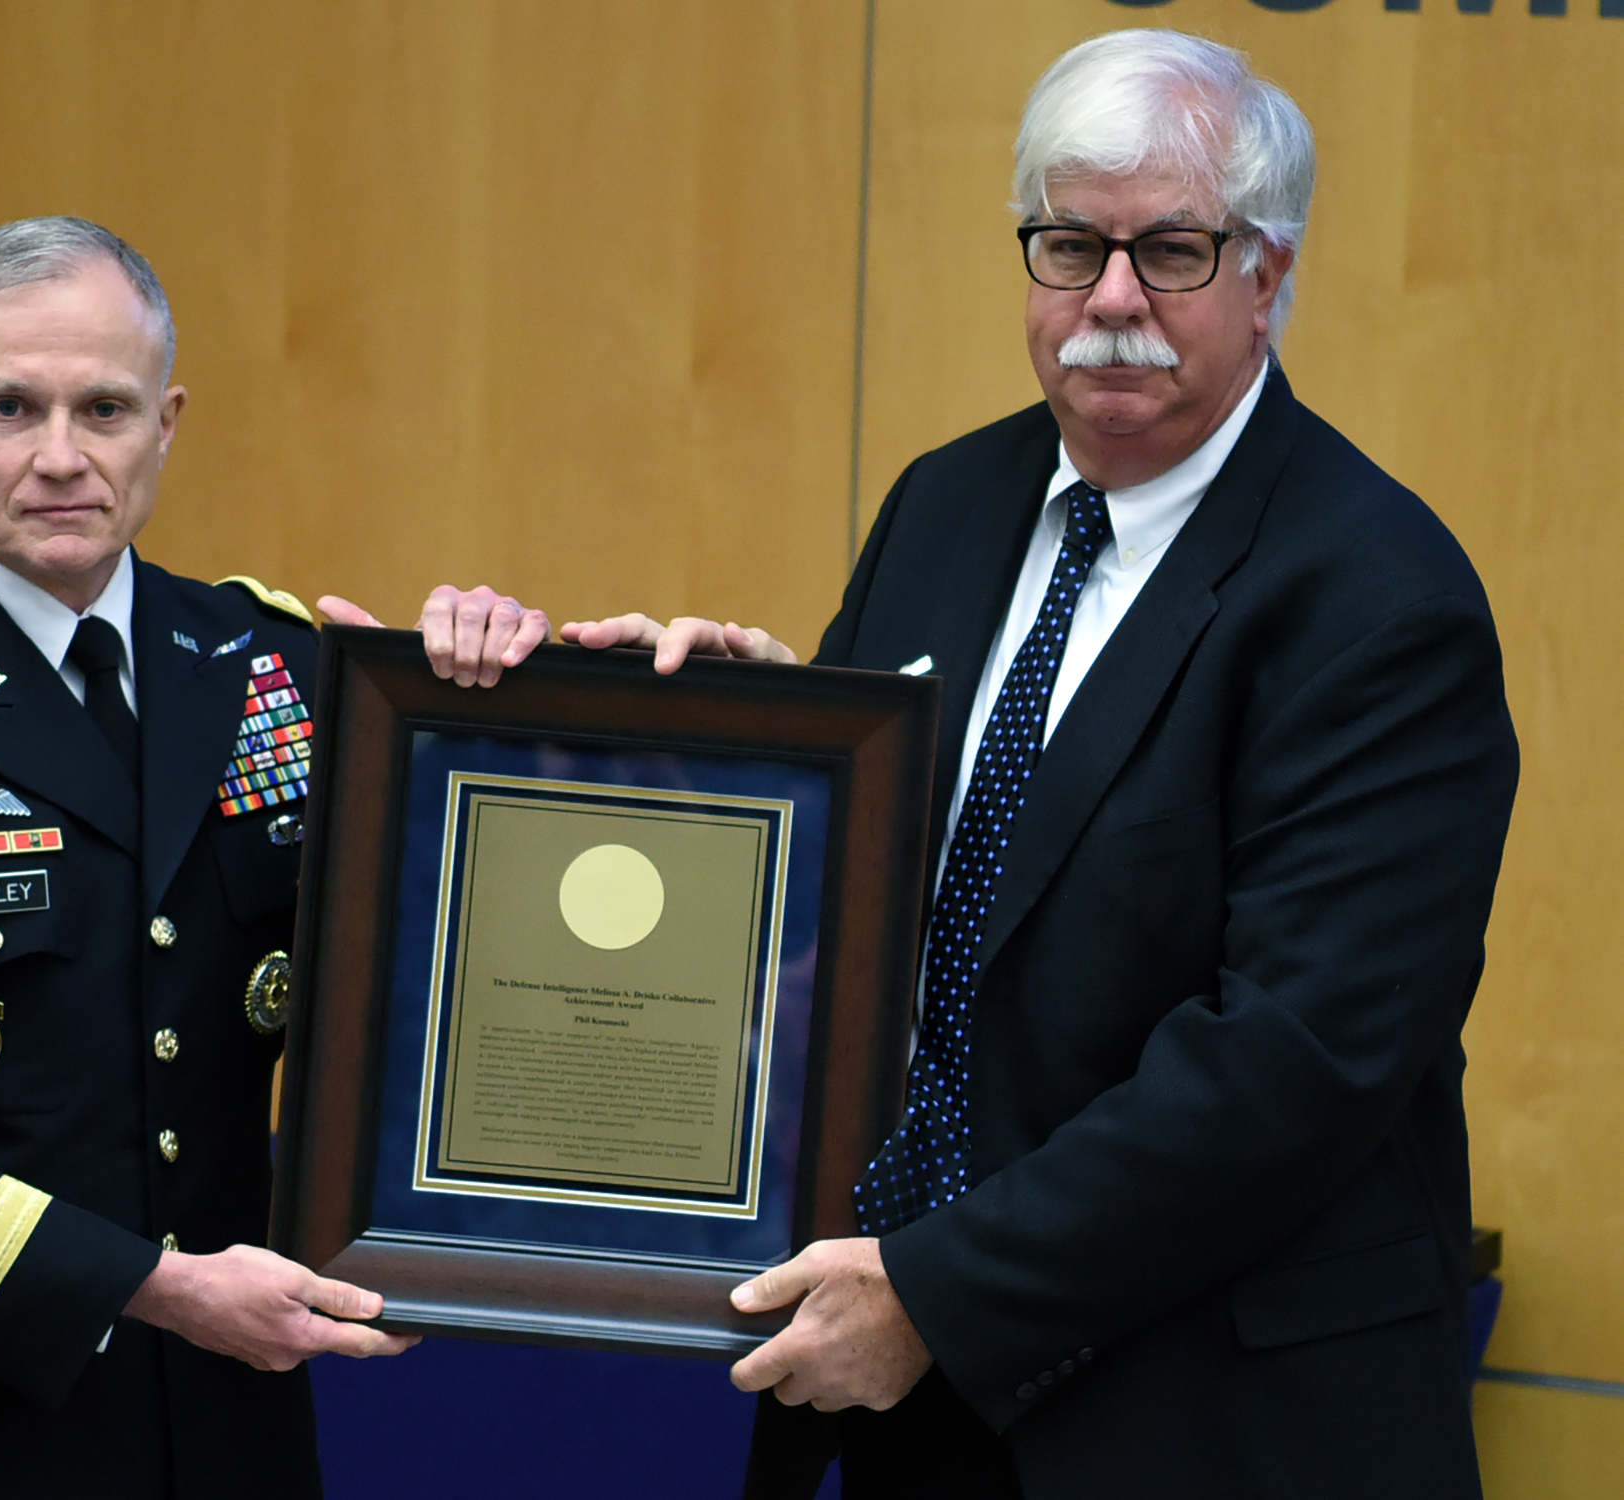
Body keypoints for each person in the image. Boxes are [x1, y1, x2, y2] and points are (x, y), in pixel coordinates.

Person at [561, 30, 1519, 1499]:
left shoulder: (1380, 597)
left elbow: (1289, 1065)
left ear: (1268, 274)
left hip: (1211, 1420)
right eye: (1072, 246)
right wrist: (732, 754)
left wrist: (941, 1295)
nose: (1113, 304)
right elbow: (878, 903)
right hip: (919, 1405)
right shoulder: (947, 504)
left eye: (1172, 253)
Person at [0, 216, 544, 1498]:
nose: (59, 458)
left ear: (169, 421)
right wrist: (157, 1289)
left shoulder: (275, 669)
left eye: (105, 407)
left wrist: (498, 709)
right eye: (8, 407)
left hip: (218, 1426)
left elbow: (434, 976)